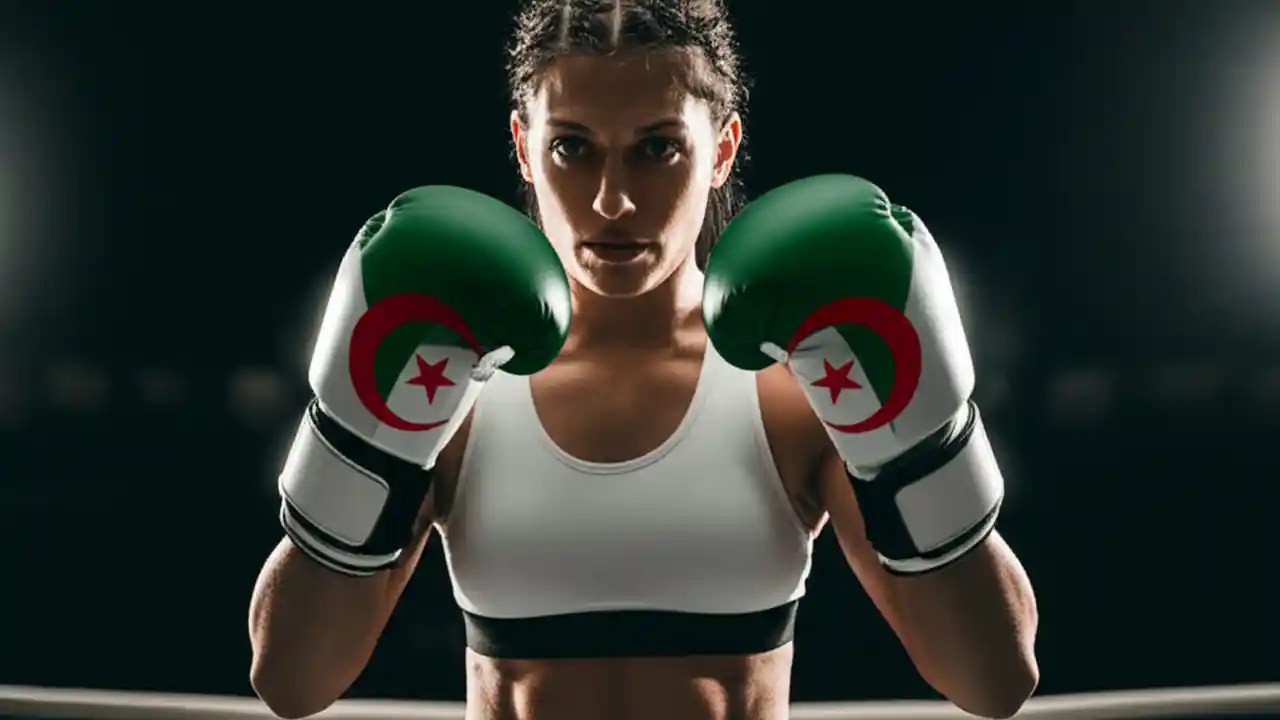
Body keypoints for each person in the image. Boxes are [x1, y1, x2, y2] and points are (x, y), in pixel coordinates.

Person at [247, 2, 1040, 719]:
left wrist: (920, 446)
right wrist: (355, 438)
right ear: (523, 146)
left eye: (657, 149)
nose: (611, 202)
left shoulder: (796, 387)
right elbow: (291, 678)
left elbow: (994, 678)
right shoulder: (454, 380)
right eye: (573, 148)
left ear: (722, 149)